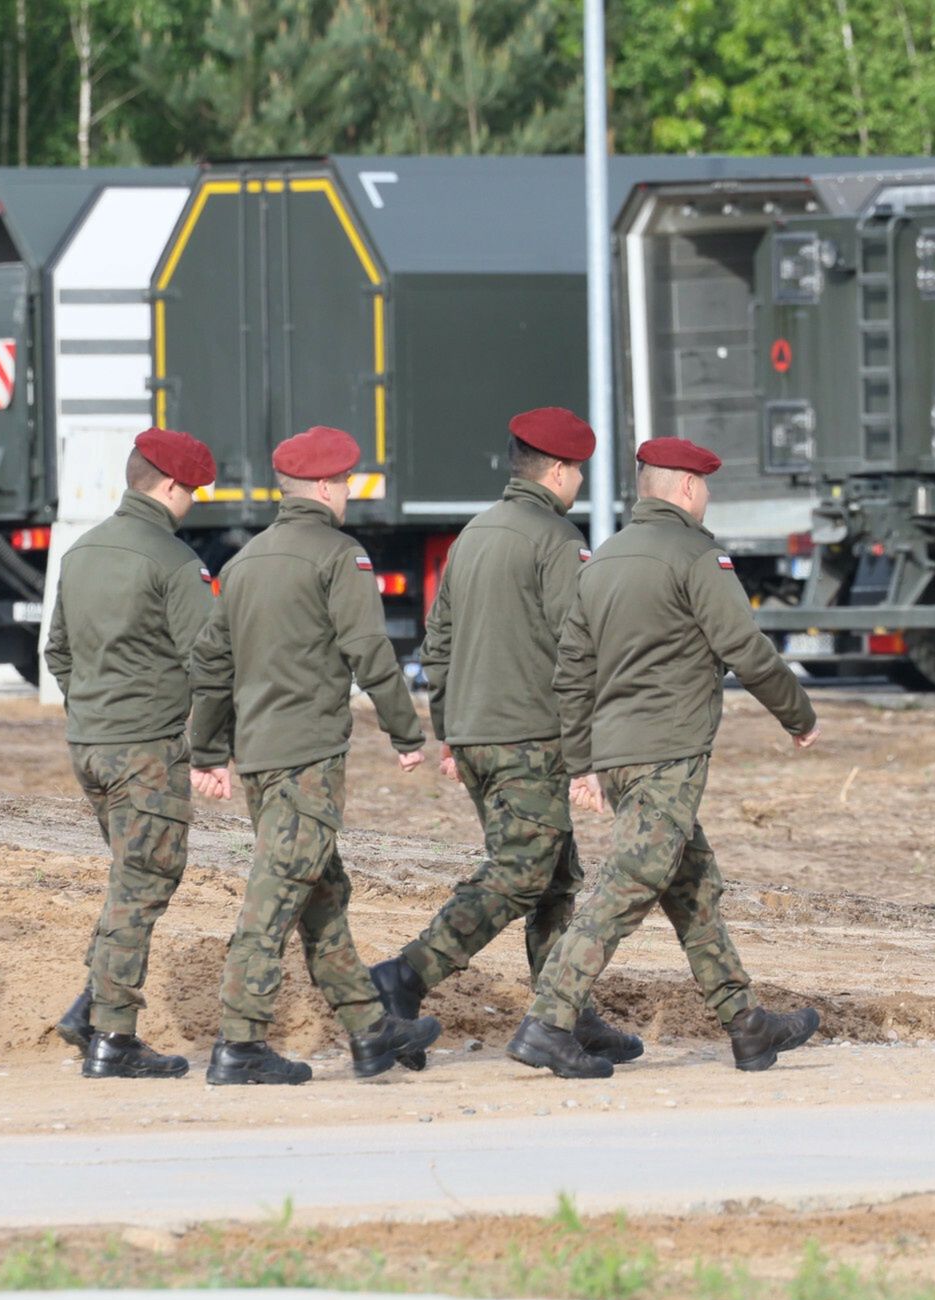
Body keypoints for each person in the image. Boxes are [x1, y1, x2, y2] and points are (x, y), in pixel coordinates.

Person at [507, 436, 824, 1080]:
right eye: (704, 485)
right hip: (668, 754)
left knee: (692, 885)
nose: (705, 496)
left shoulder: (602, 561)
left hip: (620, 757)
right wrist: (798, 714)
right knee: (625, 887)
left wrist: (583, 762)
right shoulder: (696, 557)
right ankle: (549, 1020)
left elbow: (572, 671)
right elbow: (746, 646)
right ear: (684, 488)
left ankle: (747, 1025)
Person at [371, 408, 644, 1072]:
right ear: (557, 470)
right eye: (577, 469)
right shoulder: (553, 537)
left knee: (553, 876)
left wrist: (449, 727)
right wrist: (588, 747)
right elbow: (577, 645)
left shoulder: (473, 533)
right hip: (528, 734)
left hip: (476, 734)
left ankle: (566, 1011)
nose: (578, 480)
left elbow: (436, 643)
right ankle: (404, 976)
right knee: (522, 872)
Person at [189, 426, 442, 1084]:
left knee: (322, 892)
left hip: (261, 760)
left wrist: (206, 748)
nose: (350, 495)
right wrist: (406, 733)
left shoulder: (243, 563)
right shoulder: (338, 556)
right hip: (308, 760)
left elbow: (213, 665)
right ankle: (239, 1043)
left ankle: (369, 1030)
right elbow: (369, 650)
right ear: (328, 488)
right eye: (347, 484)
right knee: (274, 896)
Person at [43, 429, 217, 1079]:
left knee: (128, 878)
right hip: (146, 748)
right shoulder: (172, 561)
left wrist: (92, 708)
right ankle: (114, 1036)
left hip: (88, 745)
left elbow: (57, 651)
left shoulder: (81, 551)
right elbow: (210, 658)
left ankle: (92, 1005)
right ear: (169, 486)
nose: (193, 503)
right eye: (192, 492)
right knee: (144, 884)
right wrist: (215, 740)